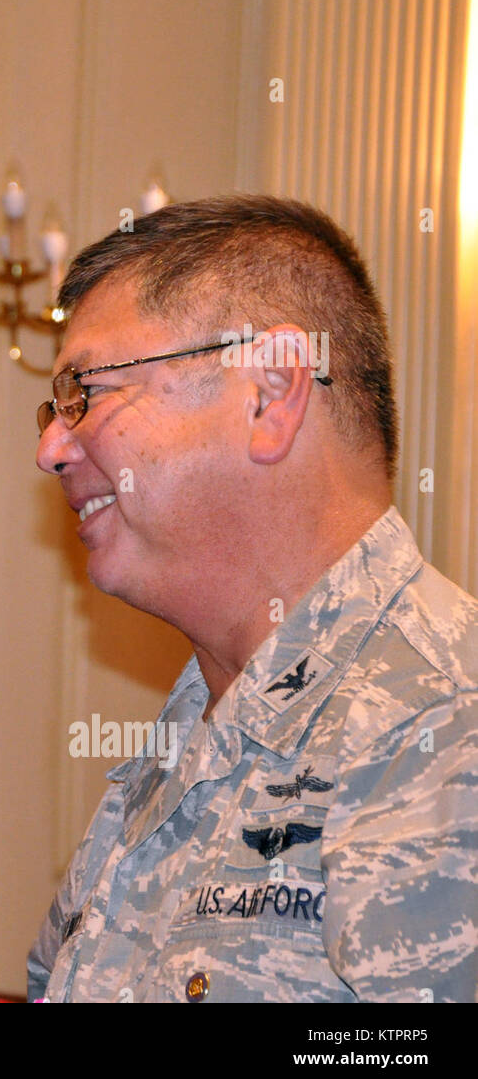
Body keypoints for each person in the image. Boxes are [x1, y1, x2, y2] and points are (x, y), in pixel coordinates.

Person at [28, 194, 478, 1003]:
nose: (51, 447)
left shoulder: (447, 731)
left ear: (270, 393)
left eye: (83, 394)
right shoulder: (192, 730)